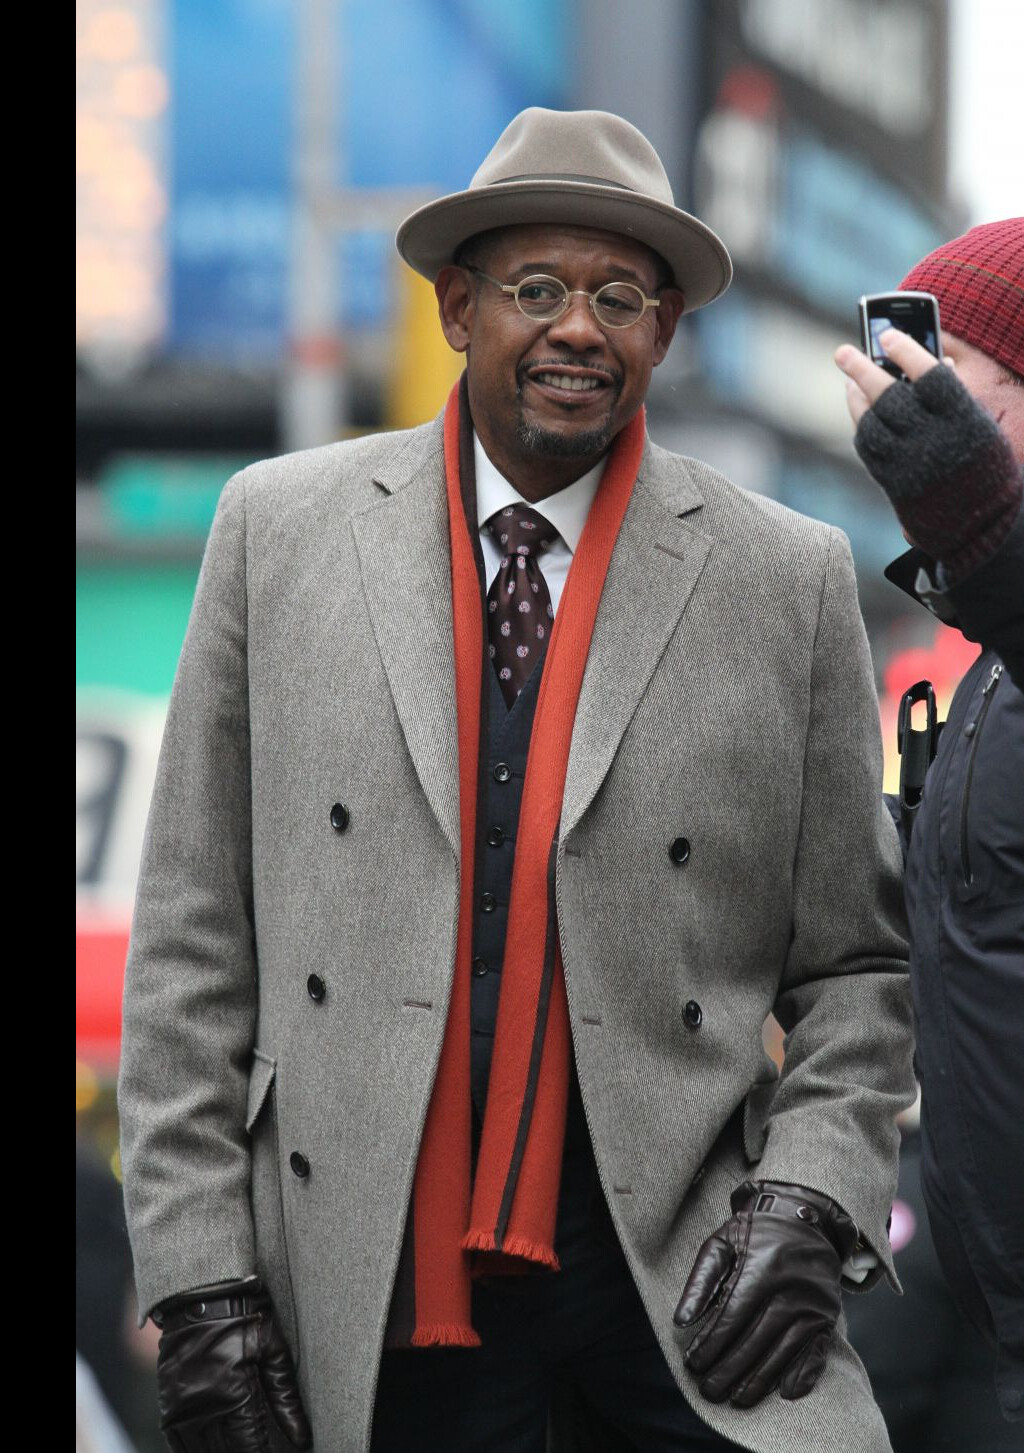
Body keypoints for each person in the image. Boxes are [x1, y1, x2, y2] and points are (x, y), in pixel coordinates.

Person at [119, 107, 915, 1453]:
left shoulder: (783, 578)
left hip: (680, 1292)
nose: (579, 330)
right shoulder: (279, 530)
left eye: (622, 297)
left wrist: (811, 1198)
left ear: (666, 328)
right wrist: (200, 1285)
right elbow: (192, 947)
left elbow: (858, 968)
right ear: (457, 308)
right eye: (538, 289)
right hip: (362, 1284)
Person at [833, 218, 1024, 1451]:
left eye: (942, 369)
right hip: (1023, 1328)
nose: (899, 397)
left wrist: (986, 527)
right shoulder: (992, 647)